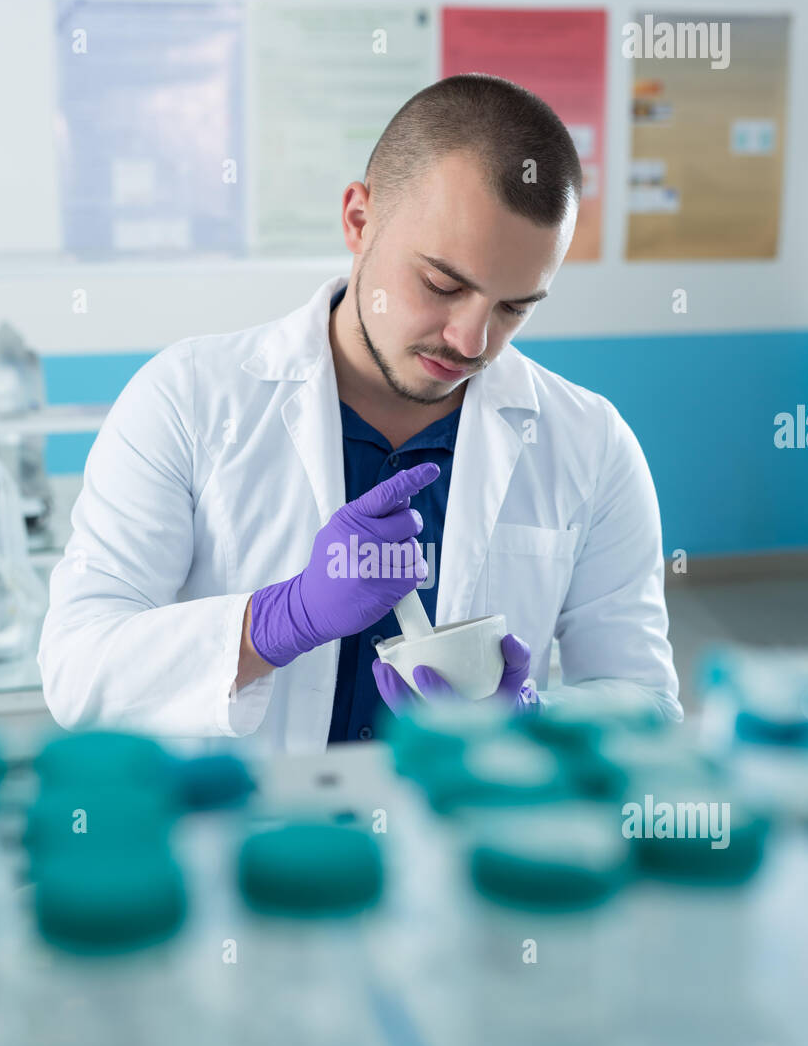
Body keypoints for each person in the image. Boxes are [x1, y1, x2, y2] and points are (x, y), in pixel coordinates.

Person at [38, 73, 682, 754]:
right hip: (249, 835)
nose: (471, 340)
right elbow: (78, 671)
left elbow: (645, 704)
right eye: (442, 283)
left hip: (461, 840)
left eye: (514, 307)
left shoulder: (591, 445)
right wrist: (277, 622)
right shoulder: (187, 400)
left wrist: (529, 717)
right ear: (358, 218)